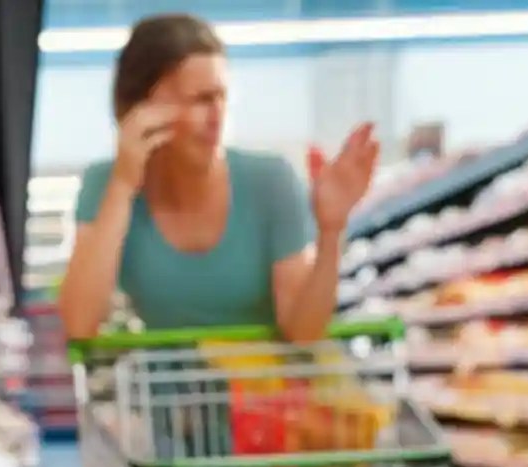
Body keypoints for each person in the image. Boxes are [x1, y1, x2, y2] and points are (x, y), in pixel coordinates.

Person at [58, 13, 379, 342]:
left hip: (268, 388)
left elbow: (303, 333)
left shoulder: (270, 181)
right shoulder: (105, 185)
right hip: (166, 391)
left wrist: (331, 230)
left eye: (221, 97)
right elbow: (80, 325)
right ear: (142, 111)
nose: (217, 117)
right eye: (200, 100)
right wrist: (123, 185)